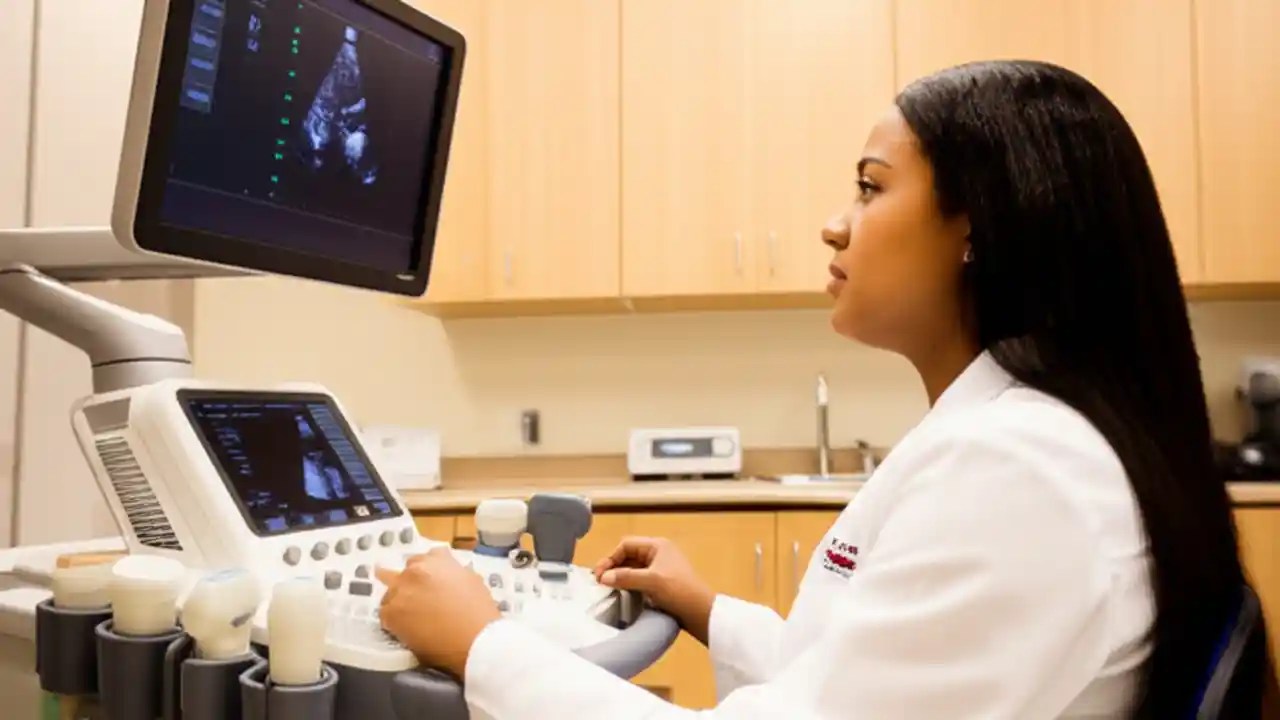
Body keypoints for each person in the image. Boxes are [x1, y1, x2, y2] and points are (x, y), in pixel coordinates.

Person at [375, 60, 1274, 718]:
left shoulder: (1022, 471)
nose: (834, 224)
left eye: (870, 189)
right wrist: (713, 612)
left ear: (978, 230)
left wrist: (483, 643)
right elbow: (884, 678)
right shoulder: (1028, 440)